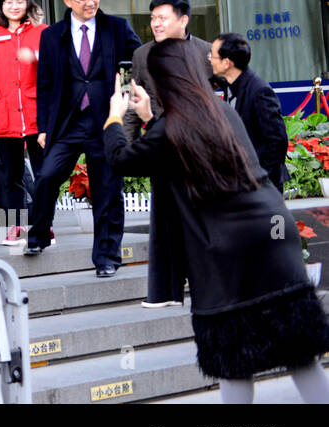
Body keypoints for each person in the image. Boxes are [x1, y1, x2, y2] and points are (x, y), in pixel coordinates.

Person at [104, 39, 329, 403]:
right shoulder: (220, 110)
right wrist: (151, 118)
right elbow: (181, 137)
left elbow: (120, 159)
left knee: (233, 358)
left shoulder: (170, 130)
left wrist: (116, 114)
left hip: (227, 249)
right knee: (299, 353)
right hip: (272, 231)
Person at [26, 0, 141, 275]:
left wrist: (126, 98)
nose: (91, 3)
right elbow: (45, 83)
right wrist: (43, 127)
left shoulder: (116, 27)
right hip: (67, 121)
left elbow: (137, 62)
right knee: (47, 176)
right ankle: (38, 234)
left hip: (107, 121)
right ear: (67, 0)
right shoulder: (52, 36)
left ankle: (106, 258)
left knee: (106, 190)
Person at [129, 0, 214, 307]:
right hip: (163, 146)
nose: (156, 24)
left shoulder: (207, 53)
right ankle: (167, 291)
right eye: (152, 19)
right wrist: (130, 147)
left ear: (183, 20)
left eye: (162, 18)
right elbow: (131, 107)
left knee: (202, 217)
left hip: (201, 152)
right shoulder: (142, 55)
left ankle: (206, 280)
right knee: (165, 221)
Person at [0, 0, 46, 245]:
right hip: (4, 115)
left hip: (36, 114)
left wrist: (36, 56)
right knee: (11, 175)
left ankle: (43, 225)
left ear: (28, 3)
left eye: (19, 1)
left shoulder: (41, 32)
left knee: (43, 173)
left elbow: (54, 64)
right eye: (8, 2)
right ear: (1, 5)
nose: (14, 6)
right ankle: (17, 225)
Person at [210, 33, 289, 188]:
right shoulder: (230, 86)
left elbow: (277, 141)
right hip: (241, 182)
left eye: (212, 56)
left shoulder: (259, 91)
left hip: (261, 184)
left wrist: (262, 179)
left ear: (227, 63)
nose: (209, 60)